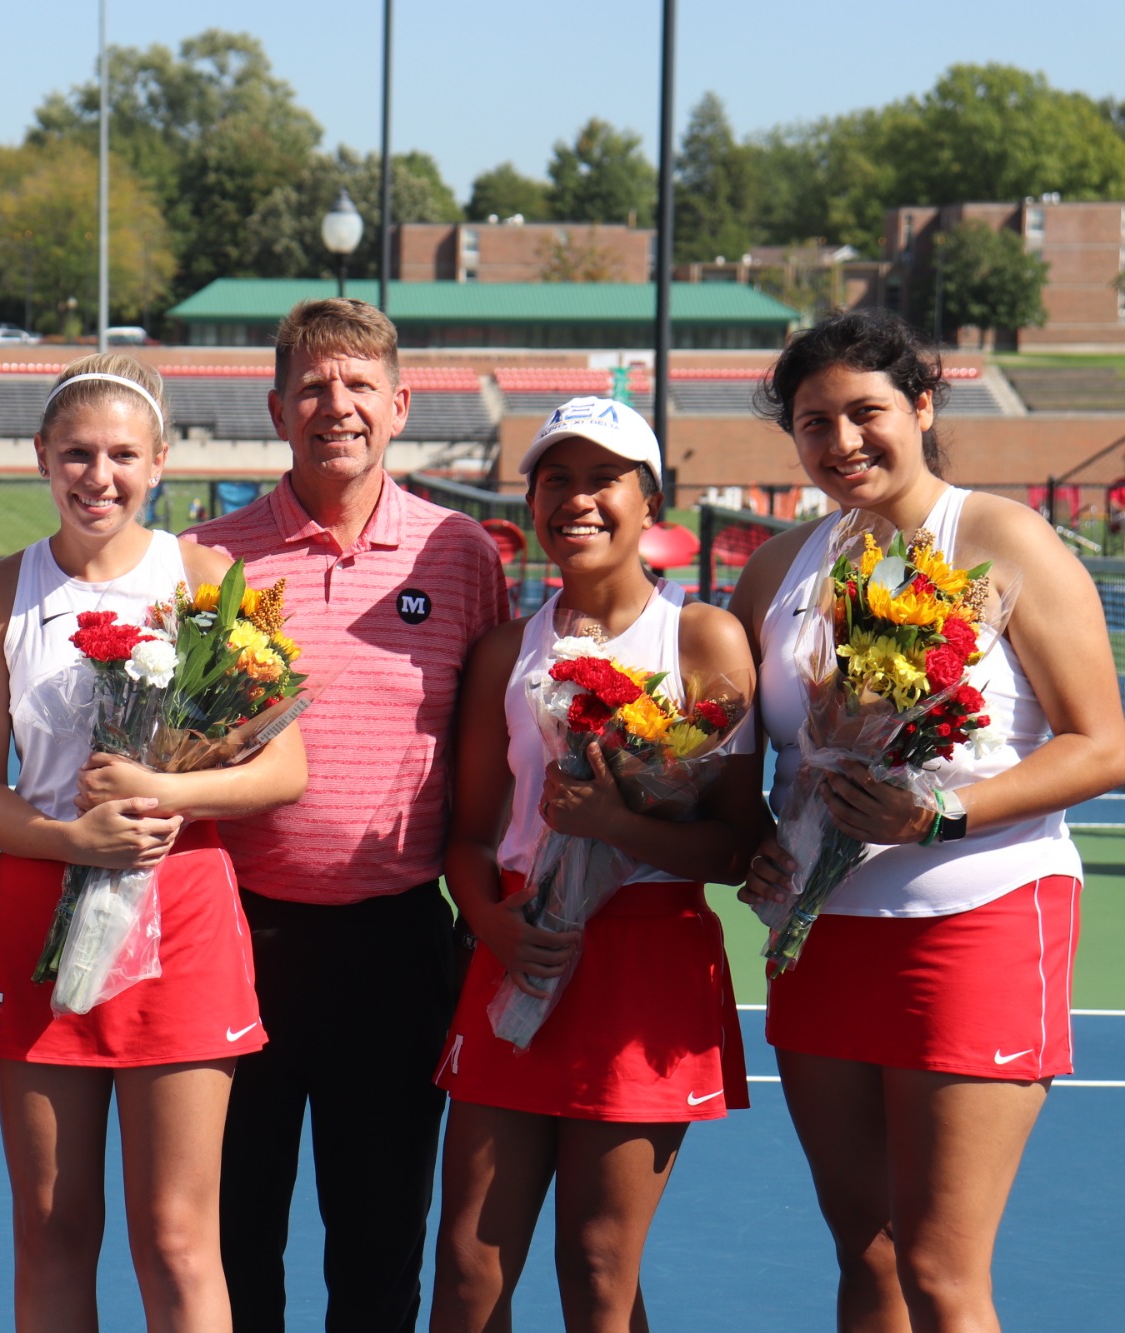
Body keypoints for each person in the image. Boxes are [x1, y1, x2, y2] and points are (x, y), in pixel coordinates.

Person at [730, 308, 1125, 1330]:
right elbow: (741, 765)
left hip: (976, 922)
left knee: (941, 1273)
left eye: (865, 412)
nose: (840, 441)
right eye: (812, 422)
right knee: (863, 1255)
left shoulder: (999, 538)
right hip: (817, 940)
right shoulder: (774, 572)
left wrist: (941, 812)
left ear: (920, 403)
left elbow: (1100, 743)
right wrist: (750, 849)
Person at [0, 353, 307, 1332]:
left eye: (119, 455)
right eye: (75, 453)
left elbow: (281, 770)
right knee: (52, 1228)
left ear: (157, 462)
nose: (96, 475)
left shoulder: (202, 580)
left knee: (178, 1236)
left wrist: (160, 787)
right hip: (37, 920)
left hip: (179, 918)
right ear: (40, 456)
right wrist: (72, 835)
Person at [186, 298, 509, 1332]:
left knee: (377, 1247)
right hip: (231, 938)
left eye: (359, 384)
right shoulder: (205, 559)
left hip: (395, 945)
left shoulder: (458, 553)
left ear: (399, 404)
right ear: (277, 408)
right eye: (314, 387)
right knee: (233, 1243)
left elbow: (491, 744)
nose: (338, 405)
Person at [428, 399, 763, 1331]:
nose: (578, 499)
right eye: (557, 479)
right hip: (518, 950)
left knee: (599, 1266)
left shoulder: (703, 640)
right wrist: (487, 918)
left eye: (603, 478)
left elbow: (741, 846)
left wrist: (620, 823)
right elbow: (468, 835)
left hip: (647, 966)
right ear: (533, 499)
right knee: (466, 1269)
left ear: (649, 501)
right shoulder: (505, 651)